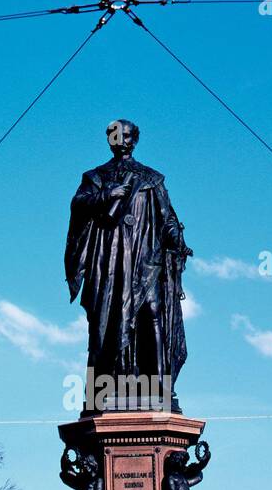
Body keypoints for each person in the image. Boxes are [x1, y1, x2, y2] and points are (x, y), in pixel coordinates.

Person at [64, 119, 193, 412]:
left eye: (125, 135)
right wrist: (107, 195)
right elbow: (78, 205)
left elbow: (168, 217)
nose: (120, 139)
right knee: (105, 324)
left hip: (147, 263)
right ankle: (102, 391)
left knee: (153, 315)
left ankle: (158, 387)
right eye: (114, 134)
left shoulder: (151, 179)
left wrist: (177, 240)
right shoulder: (96, 177)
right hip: (109, 264)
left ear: (134, 140)